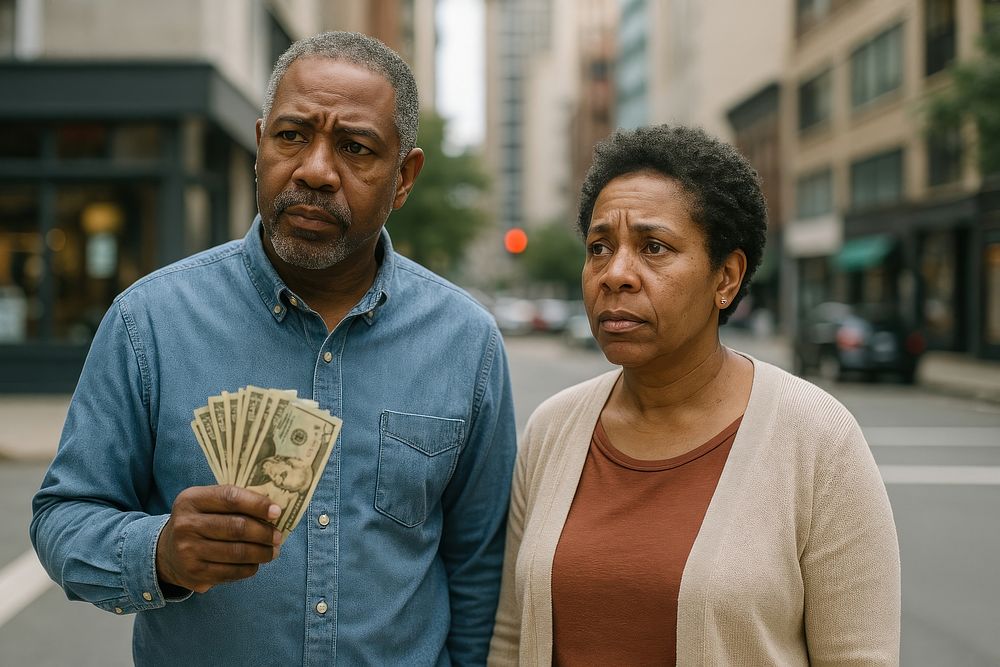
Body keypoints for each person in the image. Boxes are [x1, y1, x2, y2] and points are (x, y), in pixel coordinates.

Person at [31, 31, 516, 666]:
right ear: (260, 143)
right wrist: (162, 554)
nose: (315, 170)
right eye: (292, 136)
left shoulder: (465, 341)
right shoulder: (149, 321)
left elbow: (481, 570)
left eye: (355, 148)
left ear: (404, 178)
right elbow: (63, 517)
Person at [488, 125, 900, 666]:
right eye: (599, 248)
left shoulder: (819, 439)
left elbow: (860, 658)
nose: (615, 274)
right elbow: (511, 642)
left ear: (725, 277)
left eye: (653, 247)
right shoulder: (553, 430)